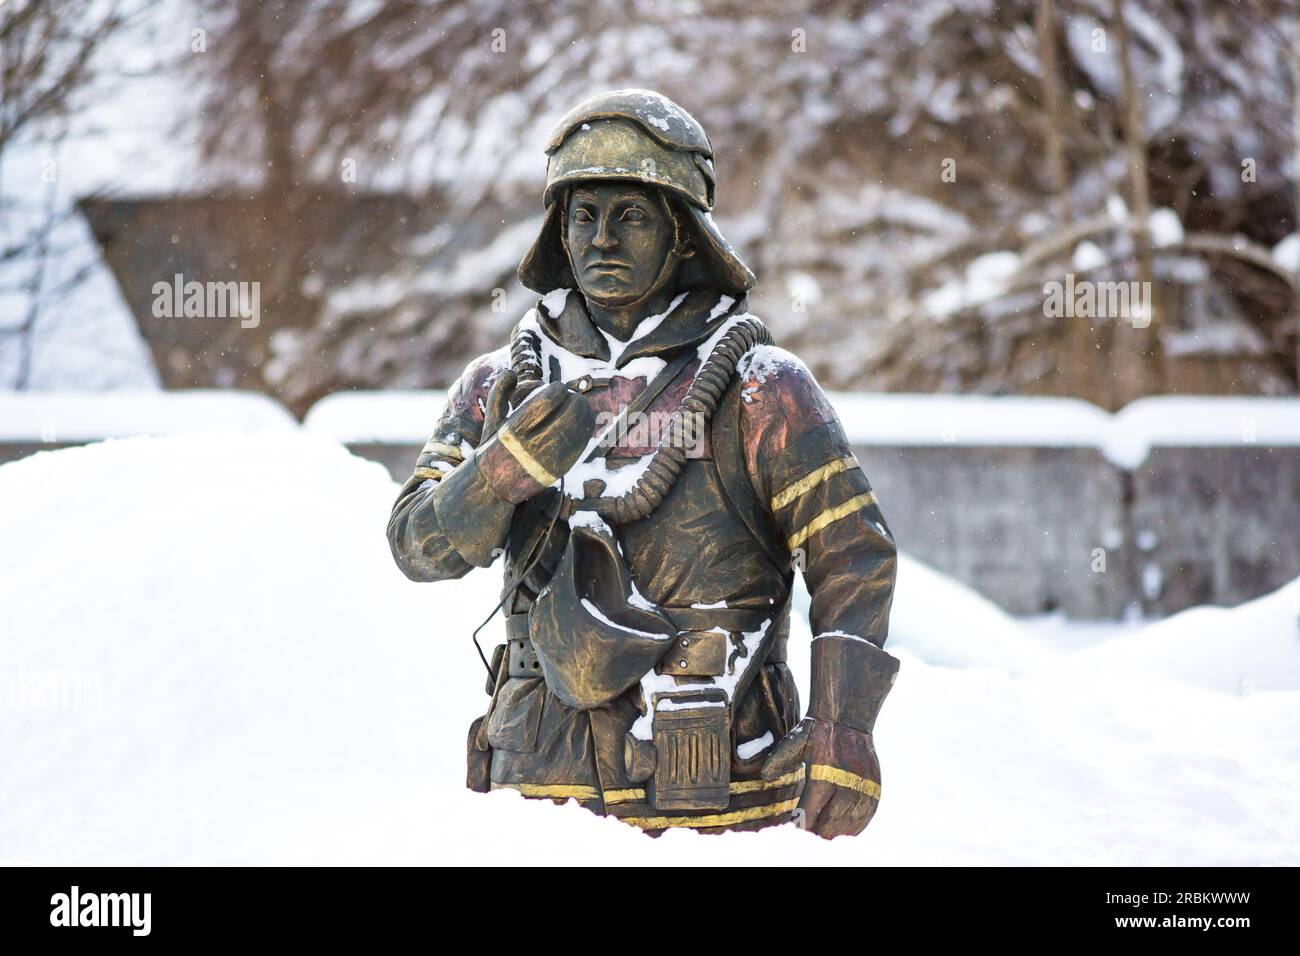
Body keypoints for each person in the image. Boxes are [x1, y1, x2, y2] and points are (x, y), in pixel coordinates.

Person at [388, 90, 898, 838]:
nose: (601, 239)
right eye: (583, 215)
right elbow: (414, 547)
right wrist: (500, 473)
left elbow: (852, 558)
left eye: (630, 215)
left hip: (717, 798)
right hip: (537, 805)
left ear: (683, 234)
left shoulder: (763, 387)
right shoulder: (499, 384)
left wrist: (844, 728)